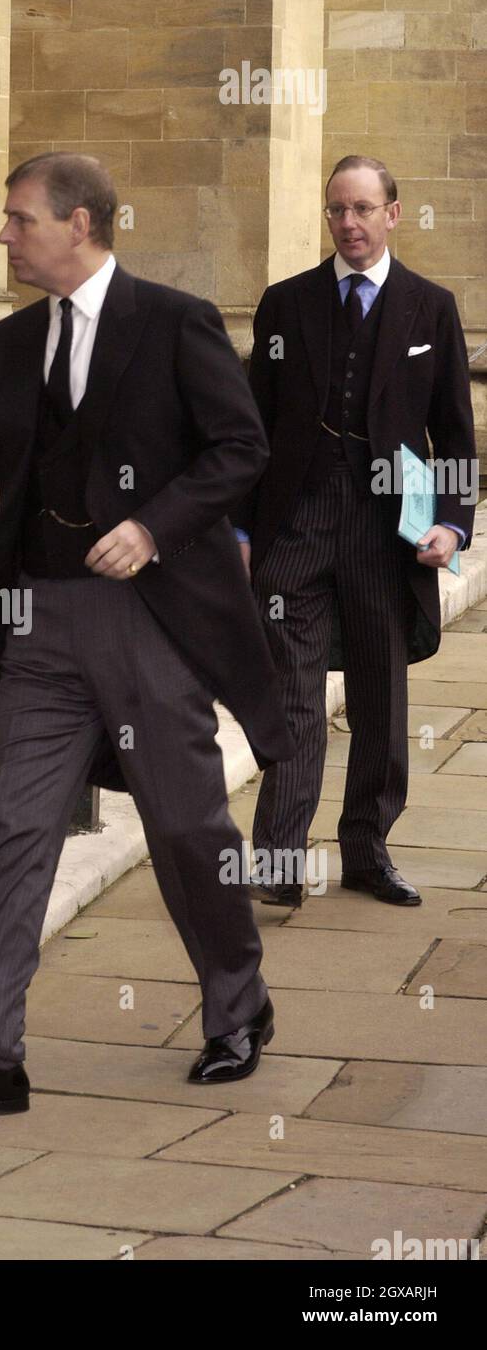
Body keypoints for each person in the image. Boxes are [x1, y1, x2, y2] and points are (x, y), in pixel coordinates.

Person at [0, 152, 295, 1115]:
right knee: (13, 828)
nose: (3, 235)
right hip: (37, 622)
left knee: (187, 826)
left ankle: (238, 1007)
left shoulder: (174, 324)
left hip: (151, 623)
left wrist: (154, 525)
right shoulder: (4, 343)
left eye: (18, 219)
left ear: (81, 225)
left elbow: (241, 448)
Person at [234, 155, 478, 911]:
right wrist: (239, 530)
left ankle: (367, 851)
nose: (350, 223)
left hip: (385, 532)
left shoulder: (430, 308)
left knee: (381, 696)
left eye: (364, 209)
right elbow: (250, 427)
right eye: (338, 209)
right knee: (295, 694)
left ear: (392, 214)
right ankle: (277, 856)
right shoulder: (285, 303)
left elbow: (456, 436)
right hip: (297, 522)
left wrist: (452, 524)